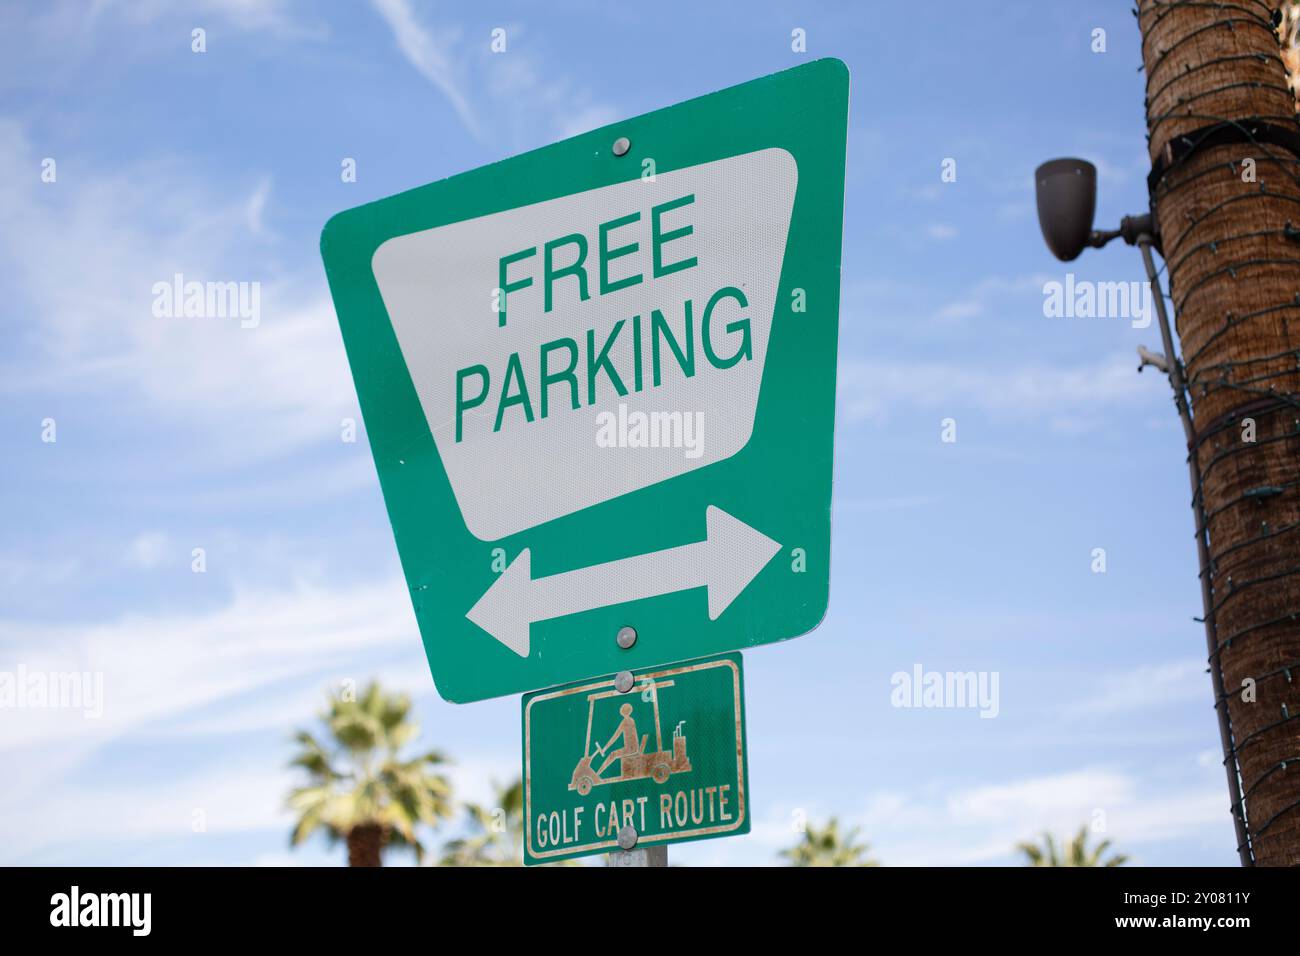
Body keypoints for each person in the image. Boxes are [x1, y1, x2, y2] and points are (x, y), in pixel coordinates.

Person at [596, 703, 640, 777]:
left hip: (631, 748)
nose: (620, 709)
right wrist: (604, 749)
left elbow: (615, 737)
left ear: (624, 711)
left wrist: (604, 749)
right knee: (613, 754)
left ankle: (598, 773)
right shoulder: (629, 720)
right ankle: (598, 773)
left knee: (613, 754)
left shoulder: (626, 722)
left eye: (622, 708)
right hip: (632, 747)